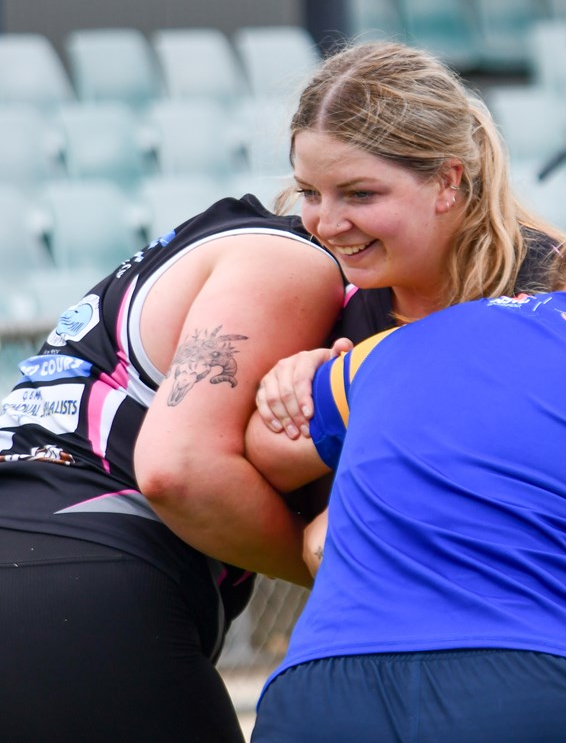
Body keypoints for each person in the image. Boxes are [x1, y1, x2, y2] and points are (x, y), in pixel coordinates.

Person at [253, 43, 566, 741]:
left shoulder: (558, 293)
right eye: (309, 193)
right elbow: (269, 457)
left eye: (359, 194)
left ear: (448, 181)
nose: (324, 221)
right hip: (436, 657)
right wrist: (295, 385)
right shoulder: (346, 305)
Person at [0, 193, 344, 743]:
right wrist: (346, 574)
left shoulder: (199, 248)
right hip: (82, 578)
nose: (332, 218)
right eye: (318, 194)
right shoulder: (295, 260)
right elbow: (179, 474)